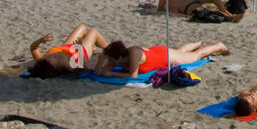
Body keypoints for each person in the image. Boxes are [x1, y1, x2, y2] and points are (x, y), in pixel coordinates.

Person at [92, 39, 230, 78]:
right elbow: (99, 72)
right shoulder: (119, 58)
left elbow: (133, 76)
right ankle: (198, 43)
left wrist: (111, 73)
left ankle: (219, 46)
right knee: (180, 51)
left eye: (110, 59)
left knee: (196, 56)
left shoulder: (134, 54)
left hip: (164, 56)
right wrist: (101, 61)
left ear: (117, 57)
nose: (109, 62)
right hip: (157, 53)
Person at [28, 24, 109, 78]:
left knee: (82, 27)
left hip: (65, 47)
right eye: (49, 60)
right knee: (93, 31)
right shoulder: (66, 65)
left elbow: (33, 48)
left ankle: (92, 47)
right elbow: (83, 67)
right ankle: (109, 49)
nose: (47, 57)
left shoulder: (42, 61)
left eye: (46, 58)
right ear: (54, 67)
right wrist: (79, 47)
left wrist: (39, 41)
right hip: (80, 52)